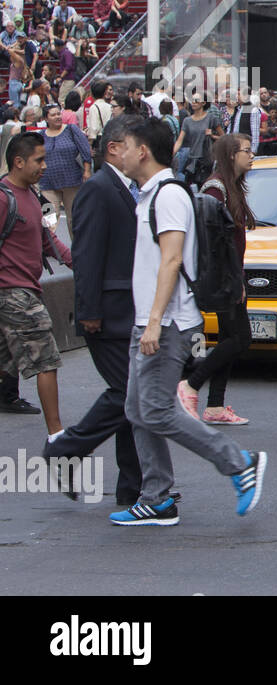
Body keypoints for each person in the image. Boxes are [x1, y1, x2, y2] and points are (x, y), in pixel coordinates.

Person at [112, 117, 265, 525]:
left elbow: (173, 259)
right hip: (150, 322)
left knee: (157, 411)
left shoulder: (168, 196)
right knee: (137, 409)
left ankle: (238, 461)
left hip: (166, 324)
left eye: (123, 145)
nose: (119, 153)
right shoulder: (147, 195)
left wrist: (154, 322)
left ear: (142, 150)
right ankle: (157, 497)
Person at [45, 119, 143, 503]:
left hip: (124, 308)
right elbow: (85, 254)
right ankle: (65, 450)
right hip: (104, 310)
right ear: (115, 148)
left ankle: (132, 485)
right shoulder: (98, 189)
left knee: (132, 398)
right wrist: (88, 309)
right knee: (127, 392)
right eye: (137, 144)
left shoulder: (126, 188)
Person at [176, 134, 255, 425]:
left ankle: (215, 406)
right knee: (240, 338)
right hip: (224, 277)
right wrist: (234, 280)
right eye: (246, 151)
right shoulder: (215, 189)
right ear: (230, 155)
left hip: (233, 274)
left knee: (229, 338)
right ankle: (190, 384)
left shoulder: (230, 187)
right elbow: (214, 242)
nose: (252, 155)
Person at [0, 131, 72, 439]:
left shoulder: (32, 195)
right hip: (14, 294)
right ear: (18, 162)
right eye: (38, 160)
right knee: (46, 360)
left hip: (24, 289)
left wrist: (79, 262)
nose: (44, 166)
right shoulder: (4, 198)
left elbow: (49, 241)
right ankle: (56, 434)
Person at [38, 101, 91, 233]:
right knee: (48, 220)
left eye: (58, 114)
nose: (57, 117)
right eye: (53, 115)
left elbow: (85, 150)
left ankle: (77, 251)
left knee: (74, 219)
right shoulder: (40, 136)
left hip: (72, 182)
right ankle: (49, 249)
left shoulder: (71, 130)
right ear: (46, 118)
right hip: (47, 184)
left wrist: (87, 170)